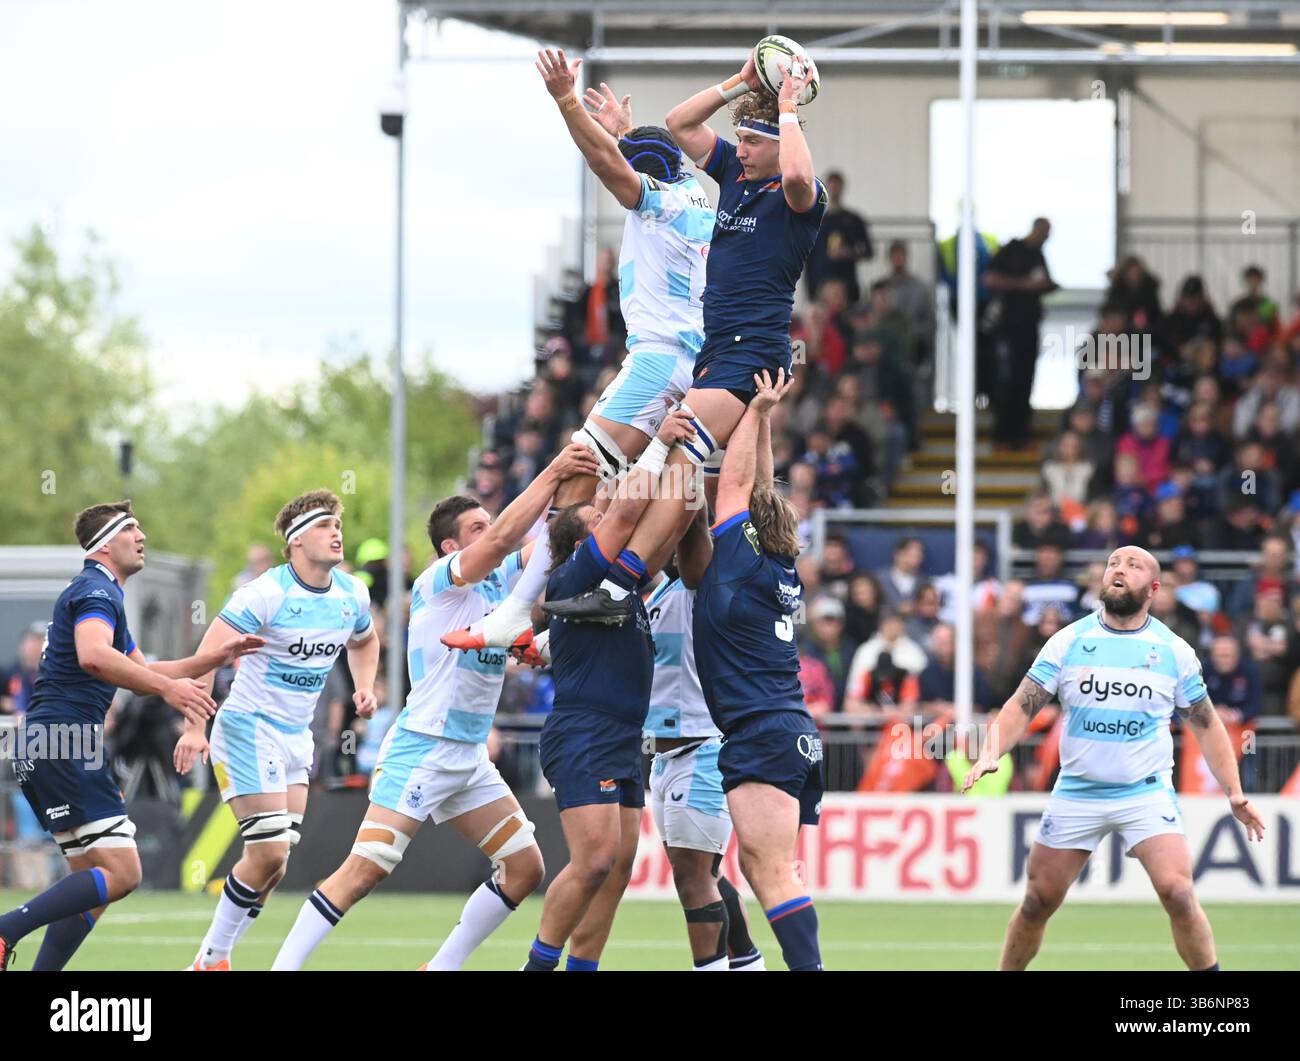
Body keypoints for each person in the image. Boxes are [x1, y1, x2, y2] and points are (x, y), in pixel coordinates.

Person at [269, 446, 598, 971]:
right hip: (424, 745)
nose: (488, 530)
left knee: (524, 868)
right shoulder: (439, 579)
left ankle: (440, 968)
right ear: (450, 545)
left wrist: (598, 471)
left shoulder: (500, 586)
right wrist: (553, 470)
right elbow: (505, 538)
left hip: (468, 755)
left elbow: (550, 544)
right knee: (365, 870)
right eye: (475, 527)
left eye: (487, 522)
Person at [443, 51, 716, 657]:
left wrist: (567, 101)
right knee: (628, 484)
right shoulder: (696, 195)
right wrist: (624, 132)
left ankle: (520, 611)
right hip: (692, 363)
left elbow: (605, 163)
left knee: (574, 466)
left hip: (654, 359)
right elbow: (639, 156)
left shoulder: (655, 202)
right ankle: (552, 617)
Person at [543, 48, 828, 624]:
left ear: (777, 143)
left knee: (675, 467)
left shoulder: (798, 200)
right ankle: (625, 588)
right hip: (715, 354)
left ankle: (621, 588)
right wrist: (741, 82)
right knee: (681, 472)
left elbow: (799, 173)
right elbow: (679, 125)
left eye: (752, 141)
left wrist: (790, 107)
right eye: (740, 139)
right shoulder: (735, 177)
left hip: (751, 355)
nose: (738, 149)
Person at [963, 545, 1266, 970]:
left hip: (1145, 793)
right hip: (1077, 792)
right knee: (1037, 901)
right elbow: (1023, 705)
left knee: (1178, 893)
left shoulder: (1173, 651)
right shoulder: (1068, 641)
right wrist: (990, 751)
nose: (1119, 569)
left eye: (1133, 565)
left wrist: (1234, 792)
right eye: (1113, 564)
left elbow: (1207, 725)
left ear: (1154, 589)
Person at [0, 501, 262, 972]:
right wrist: (169, 689)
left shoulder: (97, 594)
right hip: (65, 742)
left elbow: (143, 671)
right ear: (106, 542)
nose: (142, 536)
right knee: (124, 874)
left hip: (46, 743)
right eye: (133, 529)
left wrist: (214, 659)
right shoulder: (98, 592)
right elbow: (95, 657)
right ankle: (6, 928)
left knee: (91, 887)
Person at [523, 409, 697, 971]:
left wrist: (690, 457)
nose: (610, 514)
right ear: (581, 540)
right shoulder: (576, 577)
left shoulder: (624, 586)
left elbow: (669, 521)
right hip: (584, 731)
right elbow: (626, 512)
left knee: (618, 866)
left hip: (622, 737)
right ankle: (538, 966)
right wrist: (659, 443)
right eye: (594, 515)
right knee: (595, 859)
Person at [176, 491, 379, 971]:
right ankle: (211, 960)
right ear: (295, 541)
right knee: (266, 853)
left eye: (338, 525)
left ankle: (212, 959)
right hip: (247, 727)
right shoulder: (264, 594)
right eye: (325, 525)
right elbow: (208, 658)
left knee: (276, 862)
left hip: (296, 736)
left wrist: (365, 686)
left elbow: (366, 641)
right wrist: (193, 726)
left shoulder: (352, 594)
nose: (337, 532)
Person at [693, 369, 824, 971]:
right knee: (760, 866)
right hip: (788, 733)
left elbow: (738, 486)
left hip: (764, 733)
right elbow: (759, 486)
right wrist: (764, 415)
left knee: (771, 871)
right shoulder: (775, 569)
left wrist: (747, 402)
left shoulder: (739, 566)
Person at [641, 507, 765, 971]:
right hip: (663, 760)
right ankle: (749, 964)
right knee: (700, 872)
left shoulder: (702, 587)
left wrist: (683, 473)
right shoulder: (663, 594)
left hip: (701, 750)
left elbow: (692, 524)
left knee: (694, 874)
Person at [985, 218, 1059, 450]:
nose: (1045, 238)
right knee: (1006, 381)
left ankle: (1020, 436)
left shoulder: (1038, 255)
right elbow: (990, 278)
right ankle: (1002, 436)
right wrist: (1023, 284)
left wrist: (1045, 285)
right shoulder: (1011, 249)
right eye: (1044, 233)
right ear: (1036, 229)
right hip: (1007, 328)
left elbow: (1044, 282)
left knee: (1025, 381)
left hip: (1029, 328)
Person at [805, 170, 872, 304]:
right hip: (821, 287)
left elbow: (868, 252)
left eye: (837, 186)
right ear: (826, 188)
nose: (835, 190)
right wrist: (811, 290)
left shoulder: (854, 220)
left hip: (847, 286)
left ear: (842, 188)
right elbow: (808, 258)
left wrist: (849, 253)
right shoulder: (815, 221)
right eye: (832, 186)